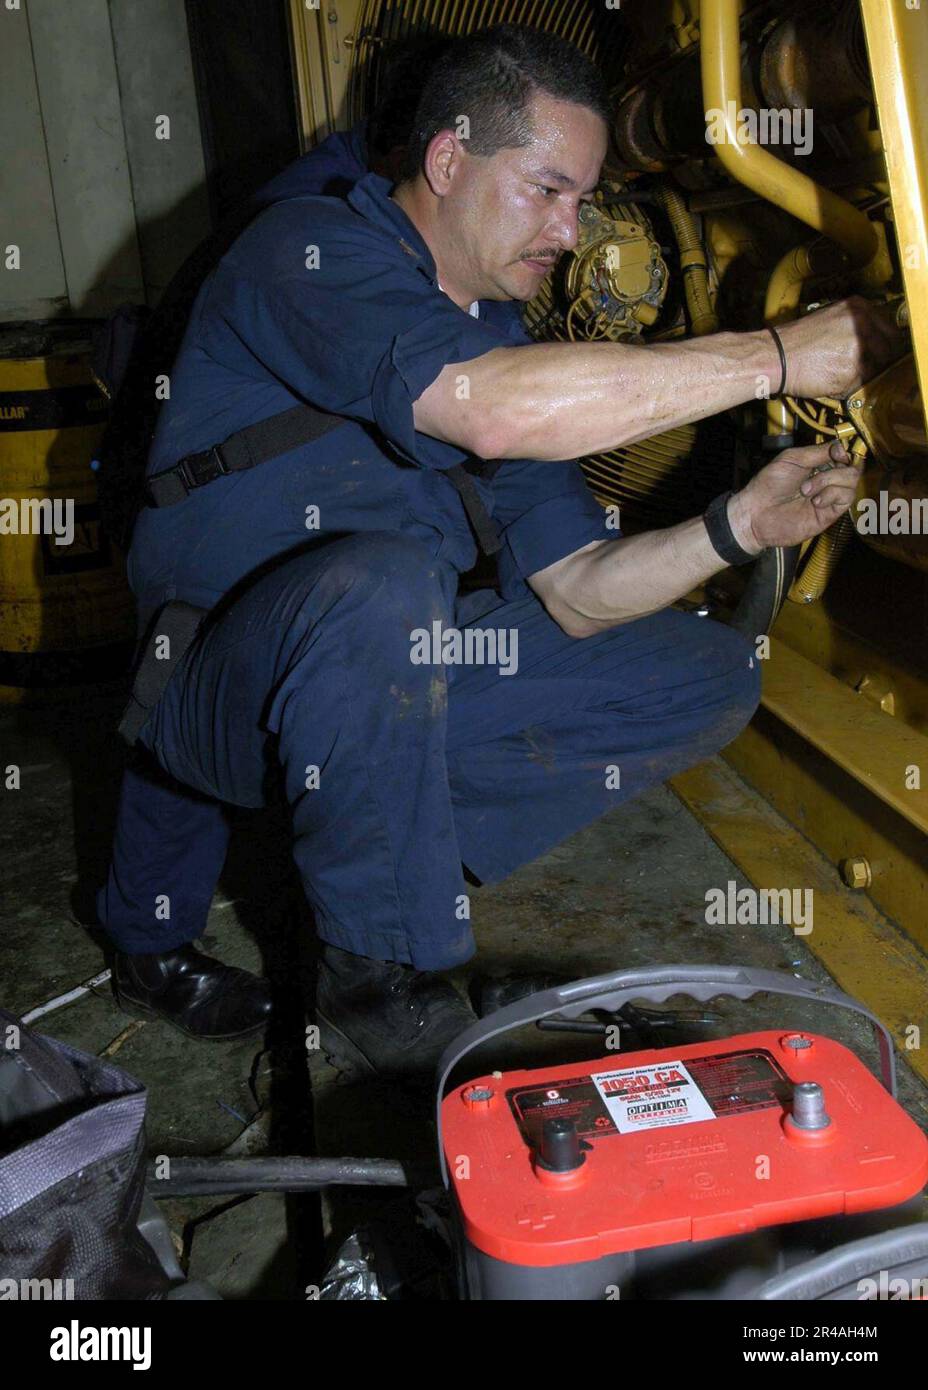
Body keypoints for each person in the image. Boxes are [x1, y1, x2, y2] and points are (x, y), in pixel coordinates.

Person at [98, 25, 901, 1074]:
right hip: (217, 684)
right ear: (447, 160)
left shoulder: (505, 342)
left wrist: (737, 526)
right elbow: (490, 415)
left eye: (583, 201)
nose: (571, 231)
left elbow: (576, 590)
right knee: (378, 590)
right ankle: (380, 973)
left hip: (376, 677)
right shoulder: (303, 252)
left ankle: (371, 855)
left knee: (701, 672)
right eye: (547, 191)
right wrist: (785, 355)